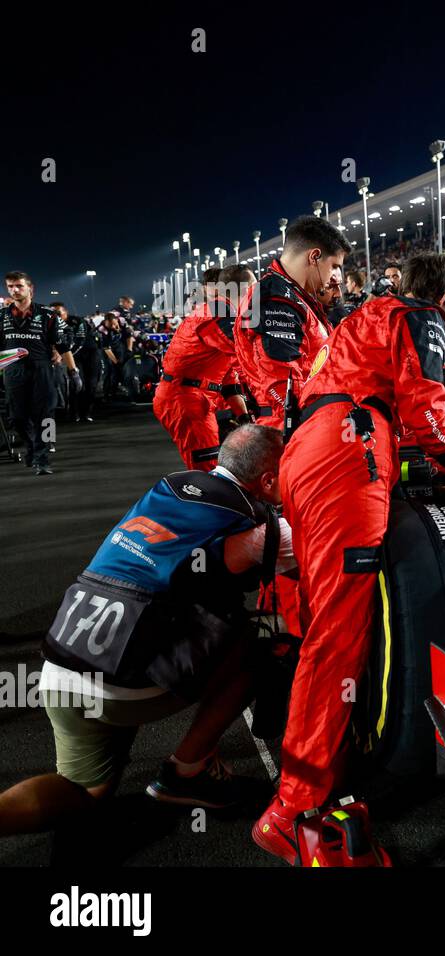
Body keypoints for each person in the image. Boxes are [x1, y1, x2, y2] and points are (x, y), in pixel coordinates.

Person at [254, 253, 445, 865]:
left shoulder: (368, 314)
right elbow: (428, 410)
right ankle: (295, 808)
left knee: (321, 615)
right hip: (347, 453)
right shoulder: (421, 314)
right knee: (338, 632)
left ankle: (317, 745)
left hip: (314, 447)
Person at [0, 426, 292, 835]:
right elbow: (335, 548)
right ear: (268, 480)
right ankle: (186, 773)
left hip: (61, 664)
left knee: (85, 794)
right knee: (263, 637)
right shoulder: (259, 528)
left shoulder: (169, 487)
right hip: (123, 682)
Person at [234, 216, 346, 428]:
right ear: (314, 256)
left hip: (307, 422)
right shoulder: (274, 298)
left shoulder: (297, 298)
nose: (333, 276)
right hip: (290, 430)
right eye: (334, 266)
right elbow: (282, 390)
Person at [153, 264, 252, 470]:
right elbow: (245, 351)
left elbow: (228, 377)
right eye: (254, 286)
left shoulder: (223, 313)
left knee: (224, 466)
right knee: (208, 469)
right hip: (186, 398)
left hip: (196, 395)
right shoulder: (217, 311)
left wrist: (243, 416)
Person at [1, 272, 78, 475]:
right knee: (16, 417)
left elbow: (67, 338)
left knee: (46, 416)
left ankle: (43, 458)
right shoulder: (2, 315)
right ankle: (32, 448)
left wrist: (62, 357)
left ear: (30, 289)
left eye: (18, 286)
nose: (14, 290)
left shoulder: (47, 314)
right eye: (10, 286)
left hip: (42, 370)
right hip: (13, 371)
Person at [59, 304, 102, 423]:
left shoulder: (78, 321)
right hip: (73, 355)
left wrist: (64, 355)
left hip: (90, 353)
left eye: (59, 313)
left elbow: (80, 341)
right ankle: (74, 413)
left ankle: (87, 413)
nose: (56, 316)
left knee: (91, 384)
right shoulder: (51, 323)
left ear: (65, 312)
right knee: (76, 384)